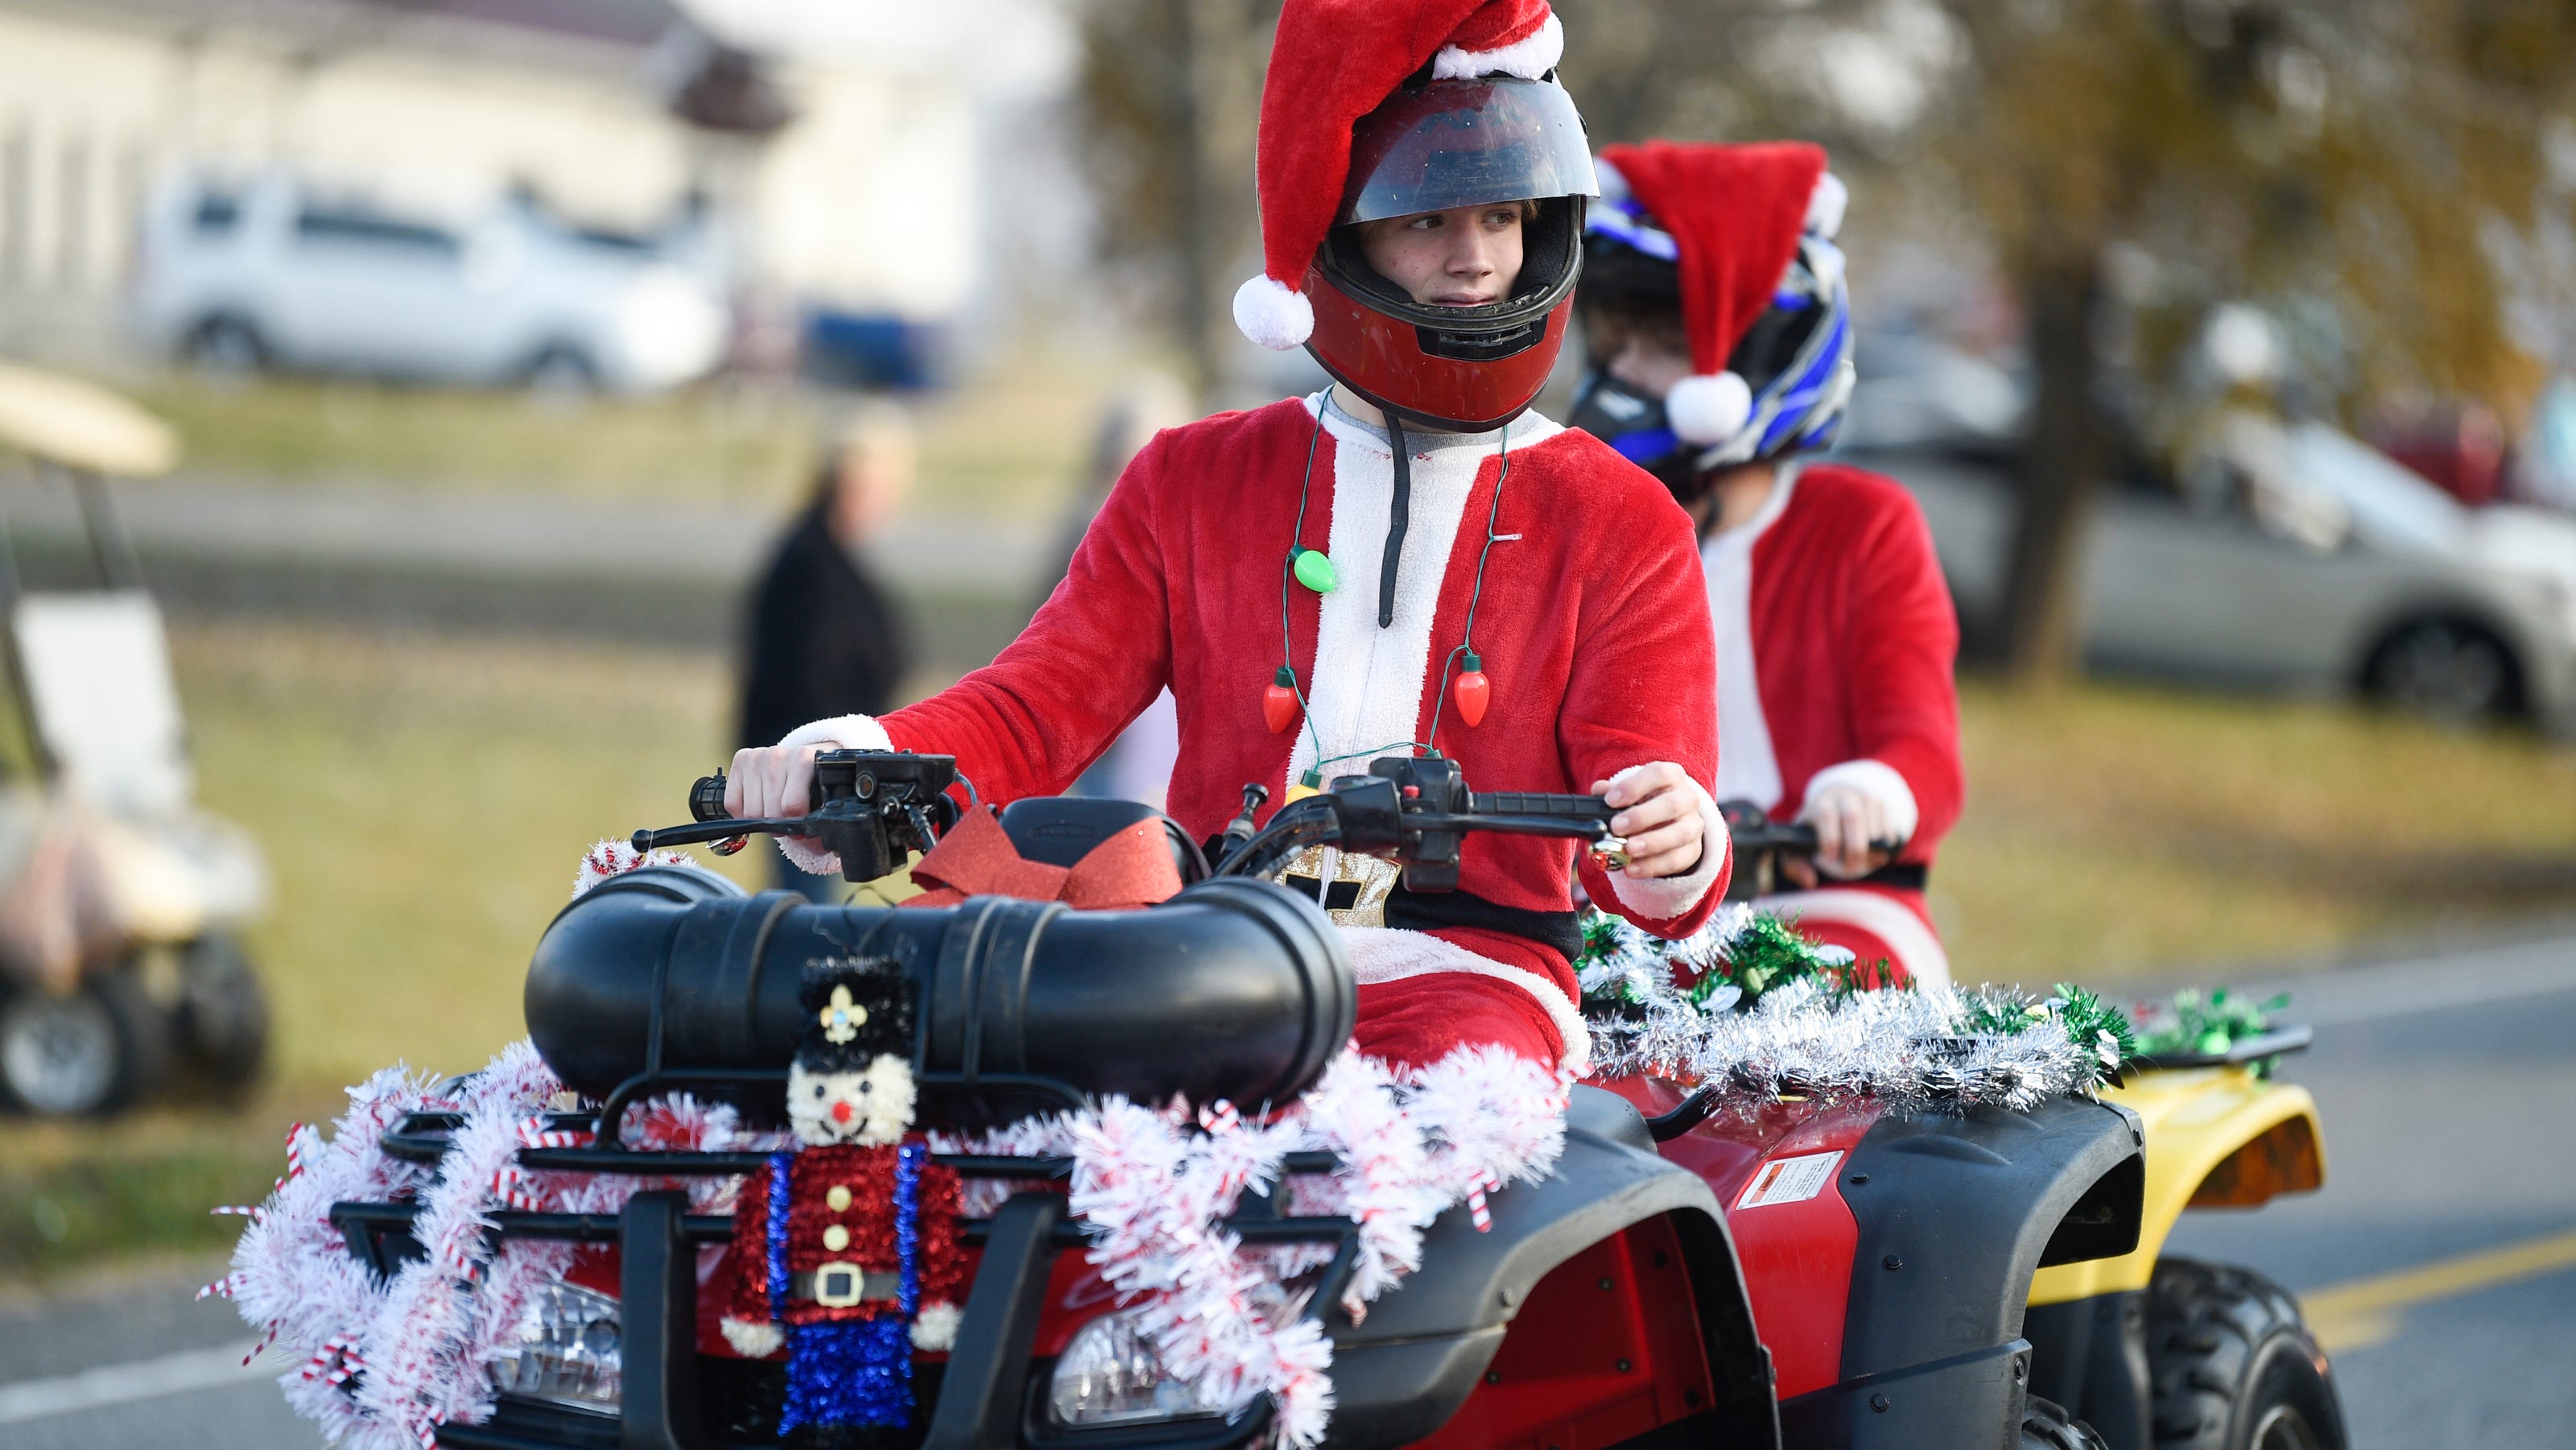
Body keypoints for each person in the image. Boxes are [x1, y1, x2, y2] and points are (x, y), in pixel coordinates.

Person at [729, 0, 1730, 1076]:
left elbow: (1650, 816)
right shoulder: (1190, 478)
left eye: (1501, 216)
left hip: (1479, 992)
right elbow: (1035, 704)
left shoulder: (1624, 519)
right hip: (1209, 965)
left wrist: (1676, 840)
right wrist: (864, 758)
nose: (1476, 258)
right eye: (1428, 220)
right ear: (1341, 231)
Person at [1567, 140, 1964, 986]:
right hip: (1635, 919)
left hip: (1832, 908)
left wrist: (1873, 791)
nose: (1623, 372)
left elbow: (1925, 752)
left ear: (1755, 352)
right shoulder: (1589, 530)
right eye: (1616, 341)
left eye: (1662, 343)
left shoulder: (1862, 527)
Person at [736, 405, 916, 900]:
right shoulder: (811, 566)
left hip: (827, 766)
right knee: (805, 916)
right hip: (805, 771)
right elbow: (811, 678)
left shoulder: (832, 555)